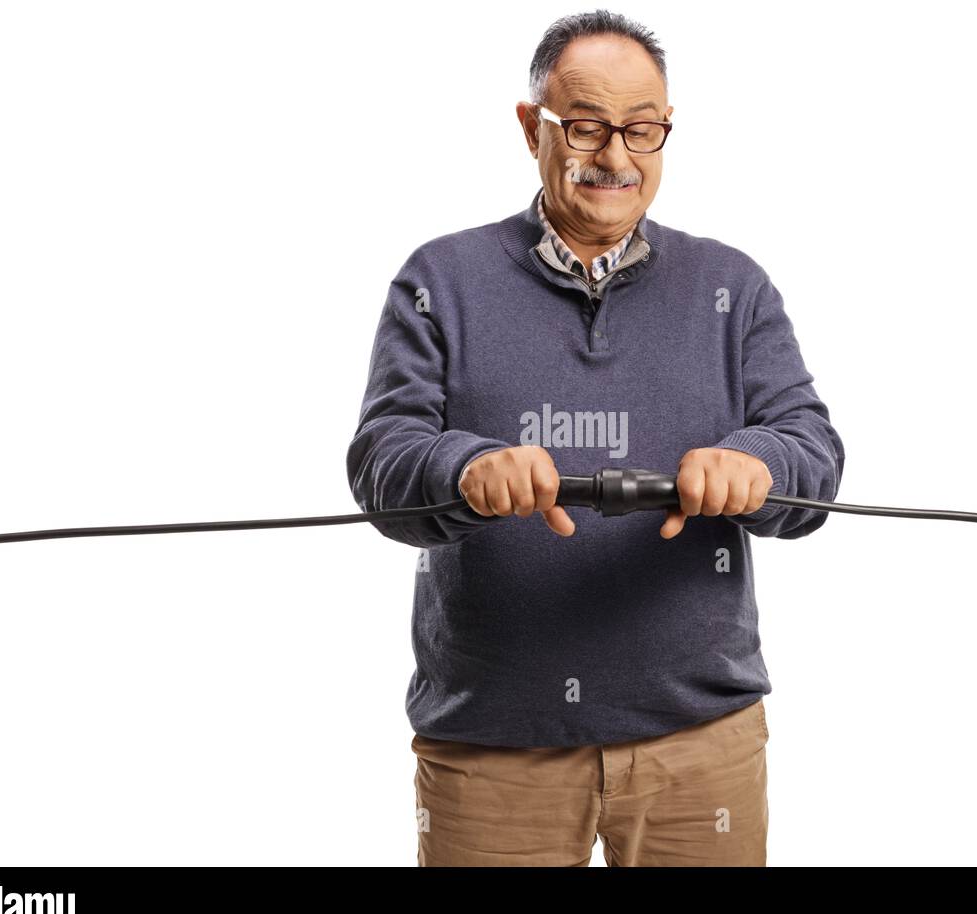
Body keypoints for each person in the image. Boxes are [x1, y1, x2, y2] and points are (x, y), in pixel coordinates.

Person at [346, 9, 845, 866]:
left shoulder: (734, 286)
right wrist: (463, 466)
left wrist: (758, 464)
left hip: (701, 743)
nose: (617, 156)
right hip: (493, 745)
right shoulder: (442, 279)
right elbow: (383, 462)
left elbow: (811, 452)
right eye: (585, 126)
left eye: (643, 129)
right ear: (529, 127)